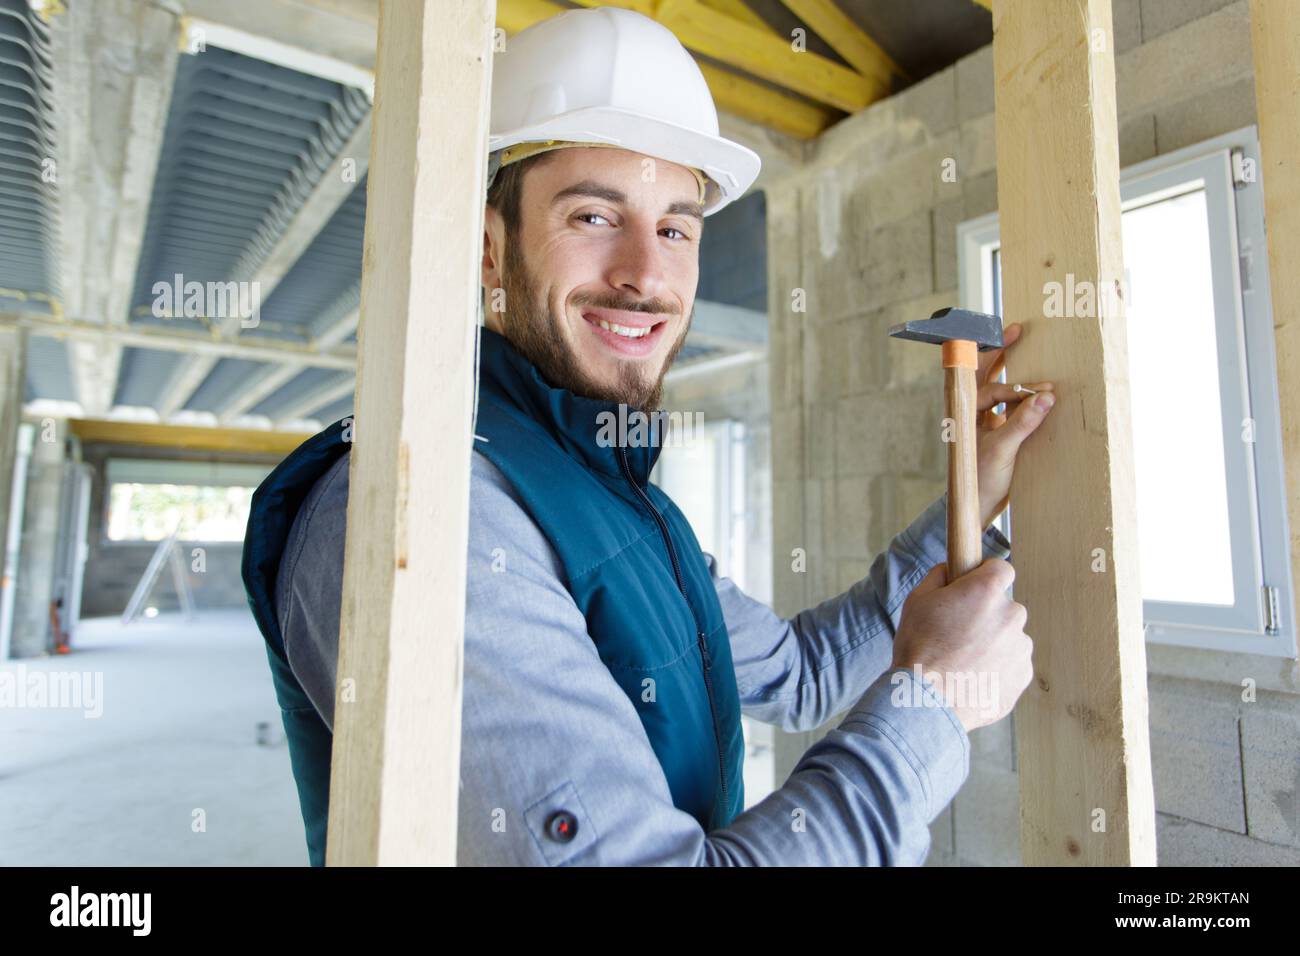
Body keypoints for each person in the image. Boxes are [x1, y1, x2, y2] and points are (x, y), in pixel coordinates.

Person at [243, 5, 1056, 866]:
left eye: (675, 228)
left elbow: (802, 671)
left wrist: (979, 483)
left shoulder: (621, 504)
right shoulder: (431, 513)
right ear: (488, 250)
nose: (644, 273)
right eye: (594, 217)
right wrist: (929, 702)